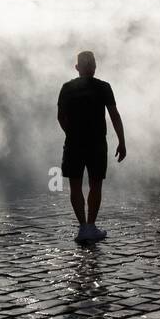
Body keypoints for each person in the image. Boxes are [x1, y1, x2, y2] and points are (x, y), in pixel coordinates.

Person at [57, 51, 126, 243]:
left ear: (77, 67)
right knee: (96, 184)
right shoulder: (103, 87)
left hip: (74, 142)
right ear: (94, 67)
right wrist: (122, 141)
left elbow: (60, 116)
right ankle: (91, 225)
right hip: (97, 143)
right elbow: (114, 115)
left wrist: (70, 134)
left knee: (75, 185)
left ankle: (83, 227)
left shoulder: (67, 87)